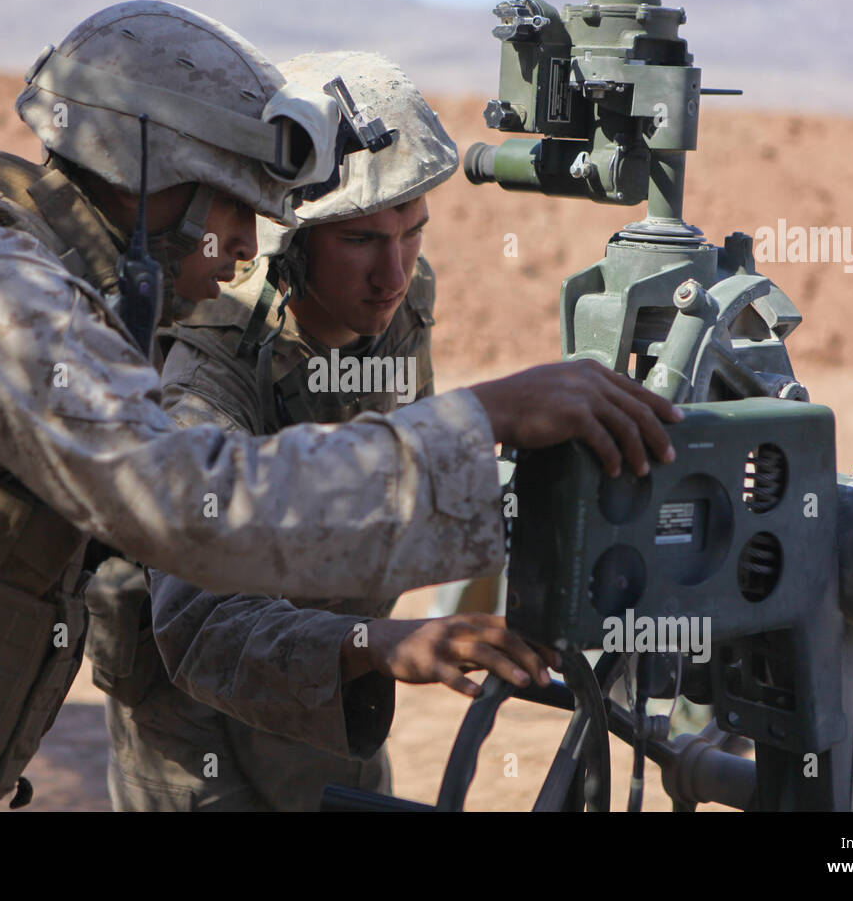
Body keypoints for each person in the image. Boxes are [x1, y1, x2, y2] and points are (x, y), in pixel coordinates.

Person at [0, 2, 679, 811]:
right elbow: (193, 508)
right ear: (152, 184)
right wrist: (487, 419)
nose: (248, 250)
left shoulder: (28, 281)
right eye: (231, 214)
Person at [91, 51, 554, 811]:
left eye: (413, 232)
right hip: (186, 700)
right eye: (363, 241)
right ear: (288, 244)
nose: (395, 273)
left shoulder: (400, 300)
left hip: (337, 671)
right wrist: (379, 646)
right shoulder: (207, 360)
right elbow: (200, 624)